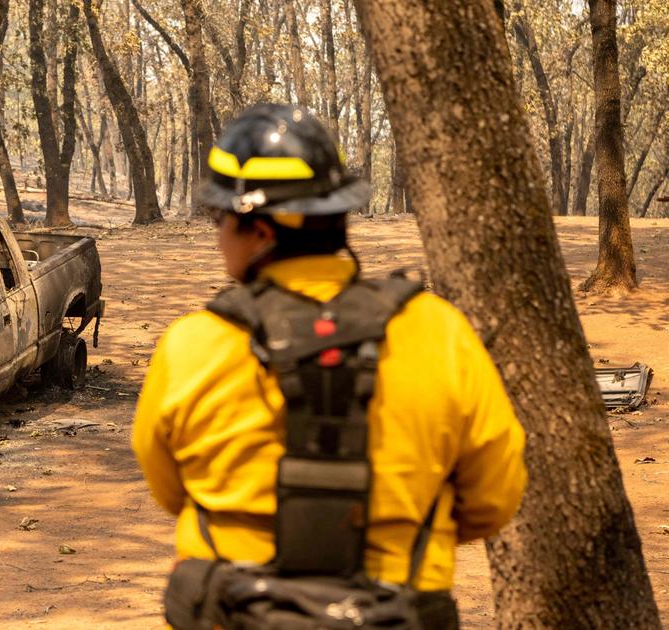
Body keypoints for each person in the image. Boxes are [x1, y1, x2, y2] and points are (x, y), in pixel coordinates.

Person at [131, 103, 527, 629]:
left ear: (262, 232)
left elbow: (170, 490)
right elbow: (493, 500)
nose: (218, 233)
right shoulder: (440, 332)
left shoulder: (193, 345)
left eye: (221, 217)